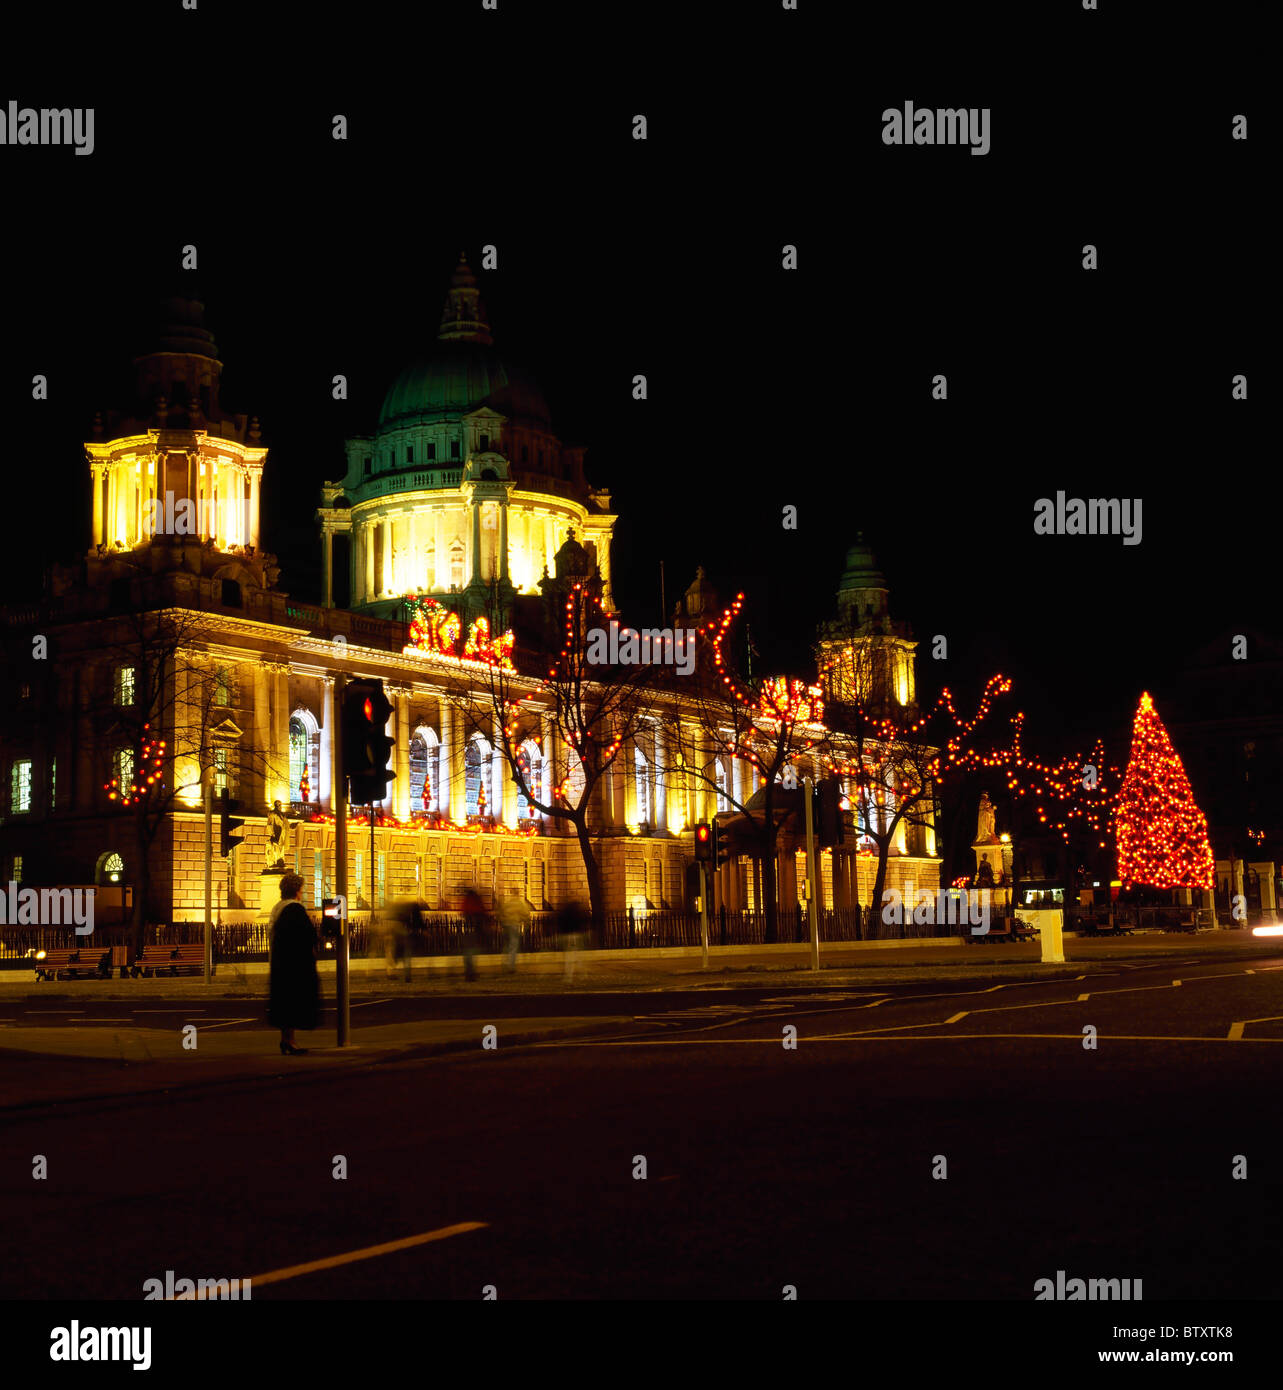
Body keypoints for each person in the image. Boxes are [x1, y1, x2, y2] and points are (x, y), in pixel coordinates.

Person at [267, 873, 320, 1054]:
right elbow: (307, 935)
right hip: (293, 965)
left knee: (283, 1003)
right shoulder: (294, 909)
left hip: (278, 961)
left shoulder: (277, 908)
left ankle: (286, 1039)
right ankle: (290, 1041)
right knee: (292, 1002)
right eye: (301, 889)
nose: (301, 892)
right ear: (297, 890)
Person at [497, 888, 531, 973]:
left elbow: (501, 913)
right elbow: (525, 914)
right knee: (513, 946)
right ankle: (511, 966)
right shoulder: (519, 904)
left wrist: (502, 922)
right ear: (518, 894)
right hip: (514, 926)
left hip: (506, 926)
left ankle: (504, 963)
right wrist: (526, 923)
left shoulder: (508, 903)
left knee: (506, 945)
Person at [556, 899, 590, 981]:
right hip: (575, 935)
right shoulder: (576, 913)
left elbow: (563, 924)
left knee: (570, 958)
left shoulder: (568, 913)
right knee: (576, 957)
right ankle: (582, 974)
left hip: (571, 936)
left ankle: (569, 976)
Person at [460, 887, 486, 981]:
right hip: (475, 929)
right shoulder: (476, 900)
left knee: (467, 952)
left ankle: (468, 972)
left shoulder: (466, 900)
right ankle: (471, 973)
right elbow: (482, 913)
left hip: (467, 929)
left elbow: (463, 912)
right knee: (472, 951)